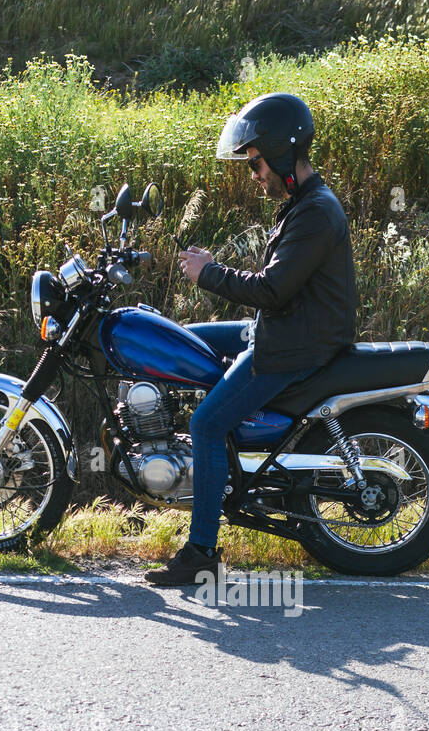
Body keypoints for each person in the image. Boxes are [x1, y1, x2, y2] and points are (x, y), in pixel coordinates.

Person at [144, 91, 357, 586]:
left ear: (283, 152)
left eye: (257, 162)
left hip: (292, 345)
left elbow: (273, 289)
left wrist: (209, 273)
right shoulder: (303, 204)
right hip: (290, 329)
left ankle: (201, 554)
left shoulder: (315, 213)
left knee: (207, 424)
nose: (254, 173)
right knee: (181, 340)